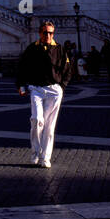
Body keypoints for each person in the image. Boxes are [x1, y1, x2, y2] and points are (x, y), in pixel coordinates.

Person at [16, 21, 72, 168]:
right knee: (36, 120)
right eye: (45, 32)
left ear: (53, 34)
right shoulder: (32, 48)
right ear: (39, 33)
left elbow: (67, 70)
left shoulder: (60, 49)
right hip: (36, 89)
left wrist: (61, 86)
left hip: (54, 90)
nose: (48, 35)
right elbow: (22, 67)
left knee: (49, 126)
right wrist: (20, 85)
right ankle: (35, 153)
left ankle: (45, 157)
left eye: (51, 33)